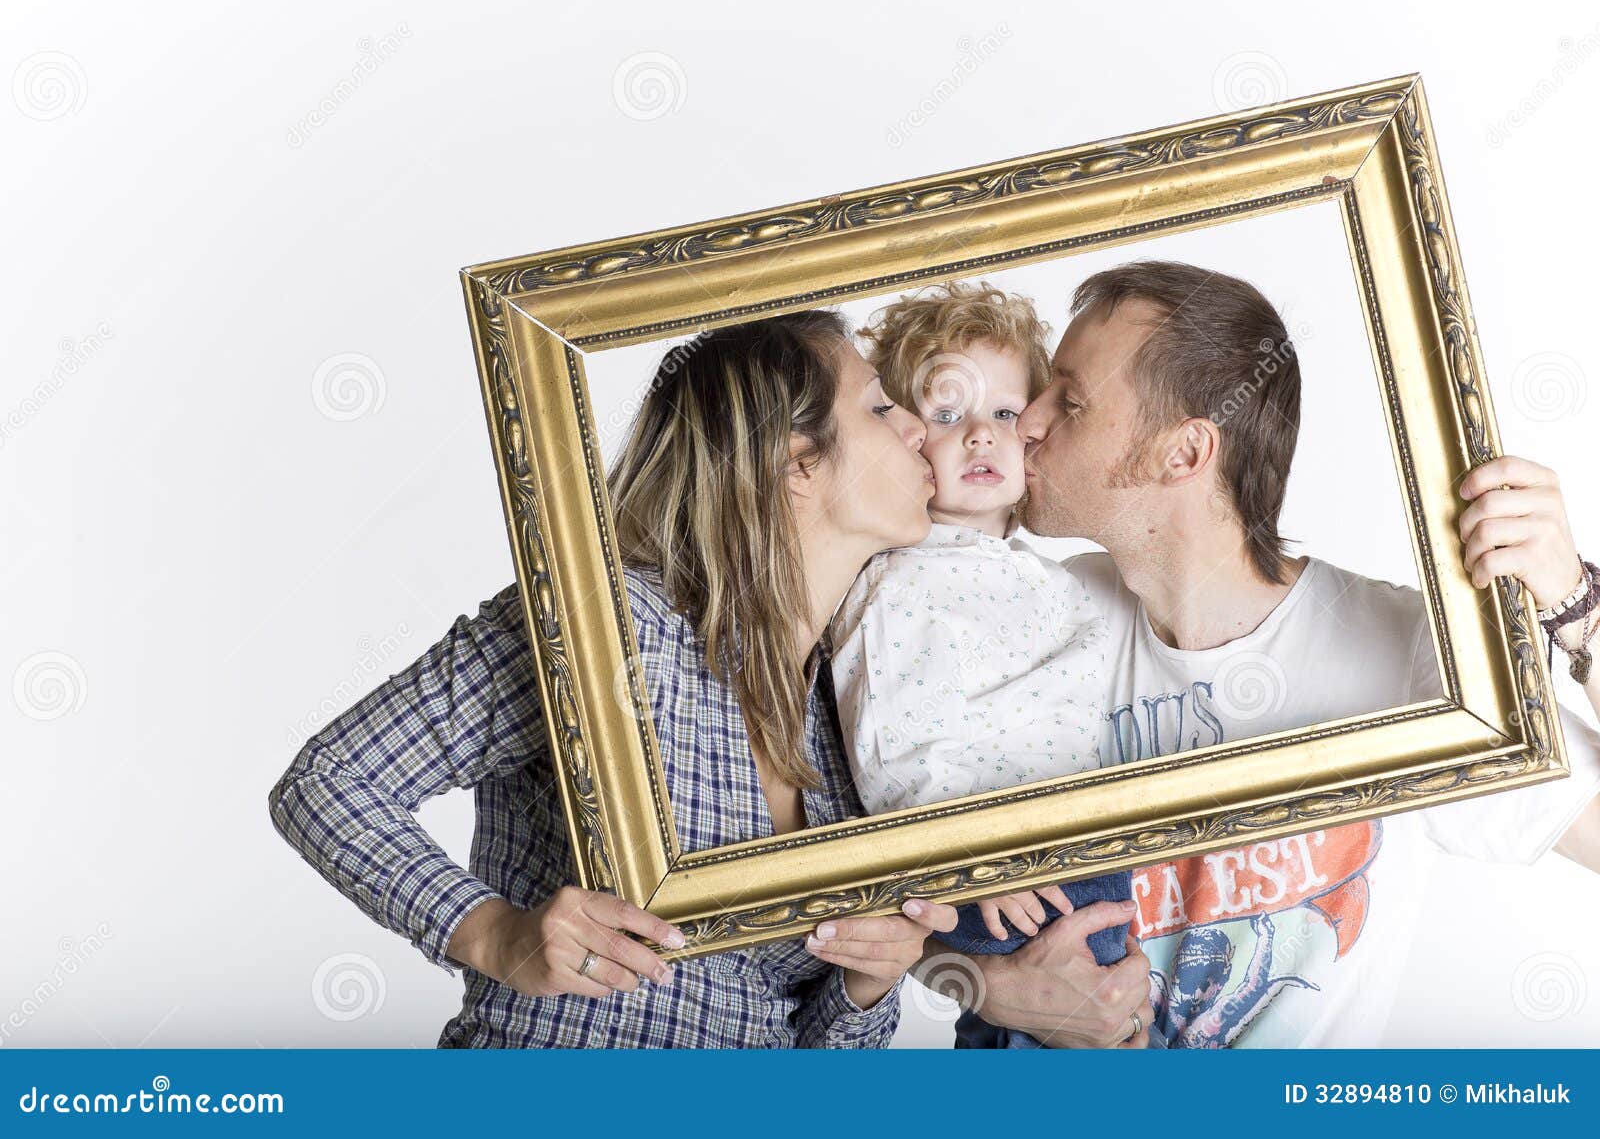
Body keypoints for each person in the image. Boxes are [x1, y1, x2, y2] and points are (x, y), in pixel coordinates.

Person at [933, 258, 1600, 1047]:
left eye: (1070, 402)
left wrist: (1578, 609)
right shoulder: (1033, 614)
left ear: (1184, 453)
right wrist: (990, 986)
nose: (1026, 422)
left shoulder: (1413, 660)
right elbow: (876, 872)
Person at [268, 311, 963, 1047]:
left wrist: (868, 983)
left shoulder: (854, 710)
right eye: (880, 408)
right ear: (797, 465)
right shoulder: (606, 626)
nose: (918, 427)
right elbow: (328, 782)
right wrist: (495, 933)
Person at [829, 282, 1132, 1048]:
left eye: (1003, 413)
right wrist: (974, 863)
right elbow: (896, 752)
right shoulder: (900, 581)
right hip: (997, 881)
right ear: (904, 438)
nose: (979, 436)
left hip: (1085, 853)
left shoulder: (1053, 575)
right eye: (946, 414)